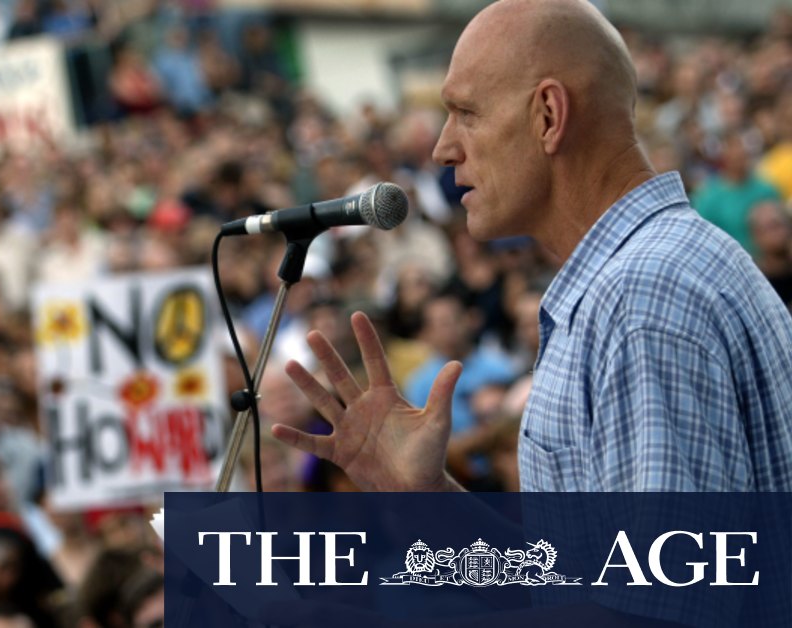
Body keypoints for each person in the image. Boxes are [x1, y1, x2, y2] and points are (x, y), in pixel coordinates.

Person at [270, 0, 792, 493]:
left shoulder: (639, 298)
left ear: (548, 114)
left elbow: (655, 564)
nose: (443, 149)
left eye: (466, 112)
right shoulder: (651, 274)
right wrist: (427, 496)